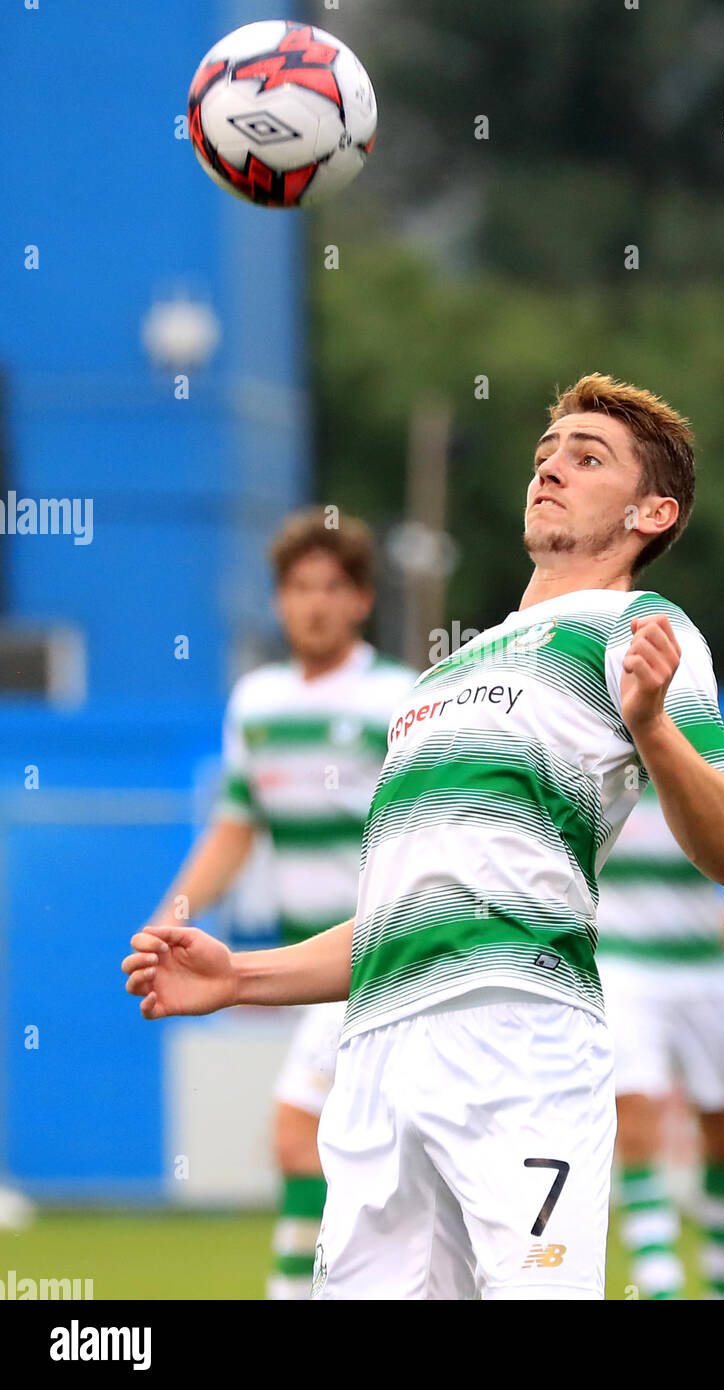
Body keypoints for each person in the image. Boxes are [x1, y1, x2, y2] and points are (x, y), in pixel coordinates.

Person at [124, 373, 724, 1301]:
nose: (551, 471)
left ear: (651, 513)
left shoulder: (633, 627)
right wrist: (240, 980)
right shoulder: (434, 683)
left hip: (517, 1040)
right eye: (546, 457)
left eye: (588, 460)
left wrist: (654, 727)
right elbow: (399, 921)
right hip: (376, 1057)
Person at [140, 508, 413, 1298]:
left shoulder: (396, 697)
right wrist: (172, 916)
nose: (315, 604)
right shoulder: (256, 702)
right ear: (278, 600)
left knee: (299, 1138)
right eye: (298, 588)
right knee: (361, 1160)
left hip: (376, 955)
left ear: (362, 600)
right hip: (309, 973)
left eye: (333, 587)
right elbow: (235, 829)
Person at [595, 750, 724, 1299]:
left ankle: (722, 1284)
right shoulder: (592, 750)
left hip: (702, 968)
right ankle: (660, 1283)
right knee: (636, 1106)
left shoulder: (720, 751)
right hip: (623, 964)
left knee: (720, 1128)